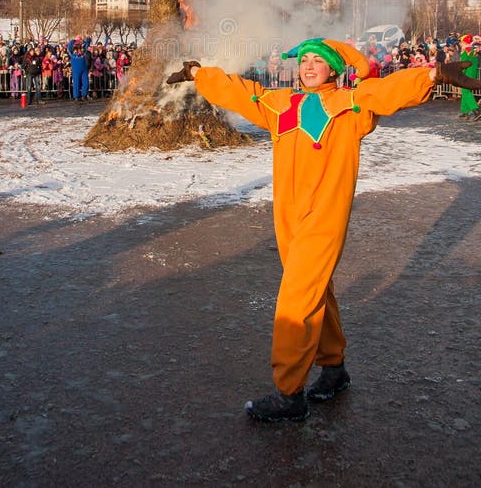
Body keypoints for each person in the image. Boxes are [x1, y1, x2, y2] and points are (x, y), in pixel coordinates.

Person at [166, 37, 481, 423]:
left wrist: (431, 74)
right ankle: (333, 368)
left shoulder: (350, 104)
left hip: (324, 218)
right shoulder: (280, 104)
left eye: (319, 60)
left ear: (334, 68)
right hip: (288, 219)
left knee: (297, 296)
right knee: (316, 290)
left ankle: (289, 393)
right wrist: (199, 73)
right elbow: (239, 92)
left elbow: (387, 91)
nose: (309, 66)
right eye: (305, 60)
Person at [457, 34, 480, 122]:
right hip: (471, 73)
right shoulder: (471, 49)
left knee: (466, 92)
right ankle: (465, 111)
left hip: (468, 74)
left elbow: (463, 64)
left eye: (462, 42)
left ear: (465, 42)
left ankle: (476, 111)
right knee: (465, 91)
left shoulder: (467, 50)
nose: (460, 44)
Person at [67, 36, 89, 101]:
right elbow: (69, 46)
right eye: (77, 45)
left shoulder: (84, 52)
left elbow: (87, 43)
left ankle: (84, 95)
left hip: (84, 70)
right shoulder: (71, 53)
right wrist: (74, 40)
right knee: (76, 84)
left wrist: (87, 38)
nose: (79, 47)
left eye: (79, 46)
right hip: (76, 71)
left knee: (86, 83)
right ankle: (76, 96)